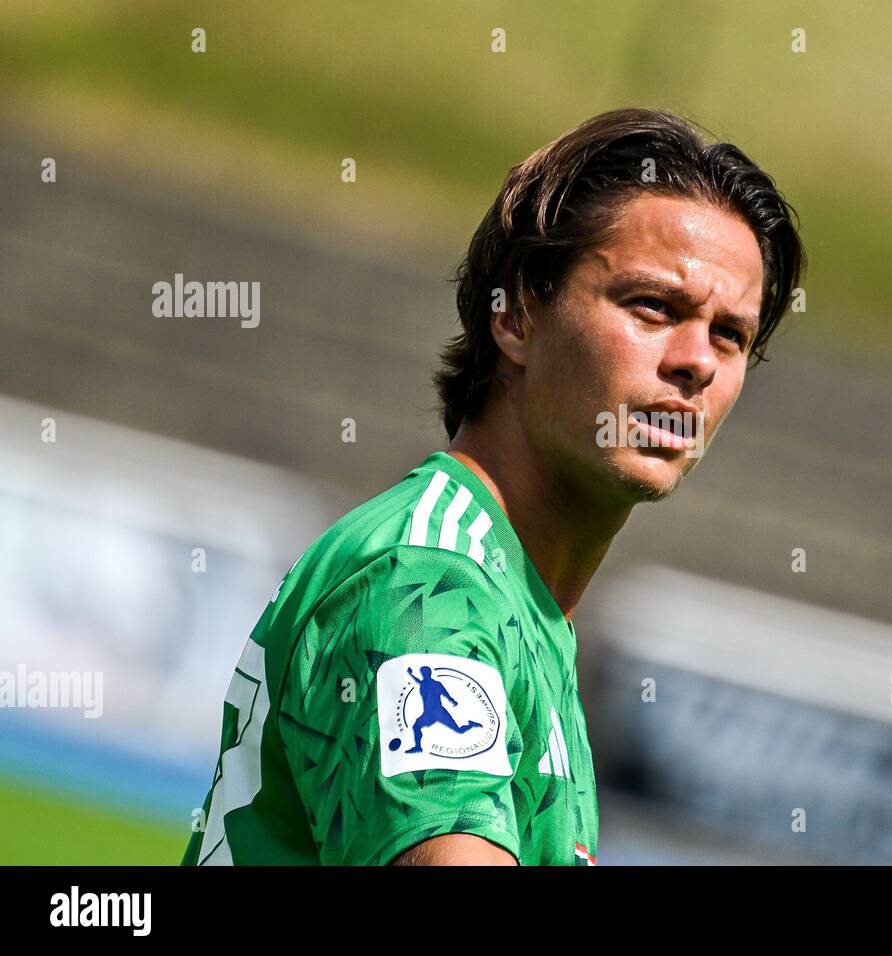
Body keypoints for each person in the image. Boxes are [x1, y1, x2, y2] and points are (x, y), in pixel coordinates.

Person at [180, 106, 805, 866]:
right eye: (653, 307)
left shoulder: (520, 606)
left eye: (729, 335)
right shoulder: (427, 584)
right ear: (516, 318)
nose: (696, 361)